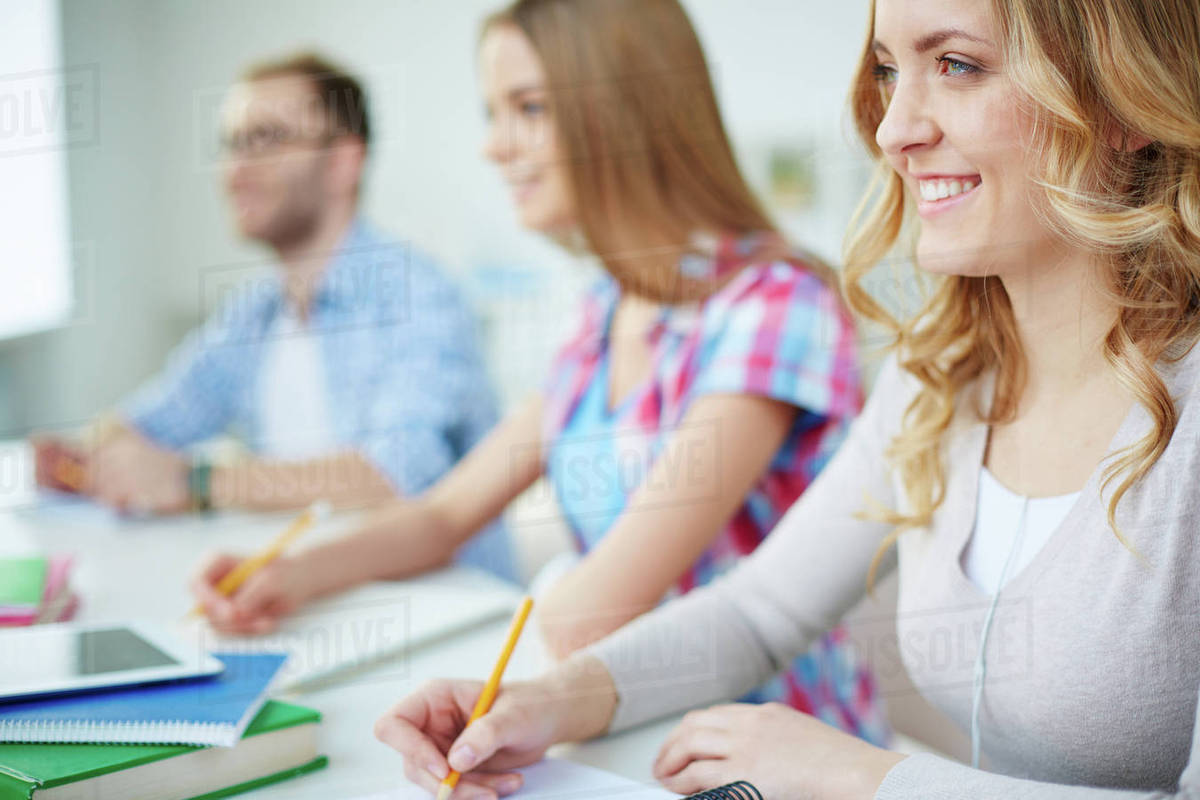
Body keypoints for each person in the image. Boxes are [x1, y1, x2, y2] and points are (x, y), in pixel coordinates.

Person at [371, 0, 1200, 797]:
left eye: (956, 65)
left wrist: (859, 777)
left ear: (1122, 102)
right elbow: (757, 611)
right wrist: (543, 704)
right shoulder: (940, 381)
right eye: (887, 72)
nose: (894, 129)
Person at [190, 0, 889, 746]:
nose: (495, 147)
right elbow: (445, 515)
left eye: (528, 109)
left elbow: (593, 613)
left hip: (773, 749)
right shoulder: (604, 306)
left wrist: (541, 595)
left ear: (627, 113)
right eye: (495, 113)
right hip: (626, 726)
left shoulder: (778, 305)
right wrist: (289, 575)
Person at [32, 52, 515, 581]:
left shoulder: (421, 294)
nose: (235, 170)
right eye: (231, 144)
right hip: (297, 590)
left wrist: (196, 483)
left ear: (342, 162)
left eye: (265, 140)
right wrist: (85, 454)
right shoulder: (254, 311)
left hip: (439, 607)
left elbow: (391, 474)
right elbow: (154, 420)